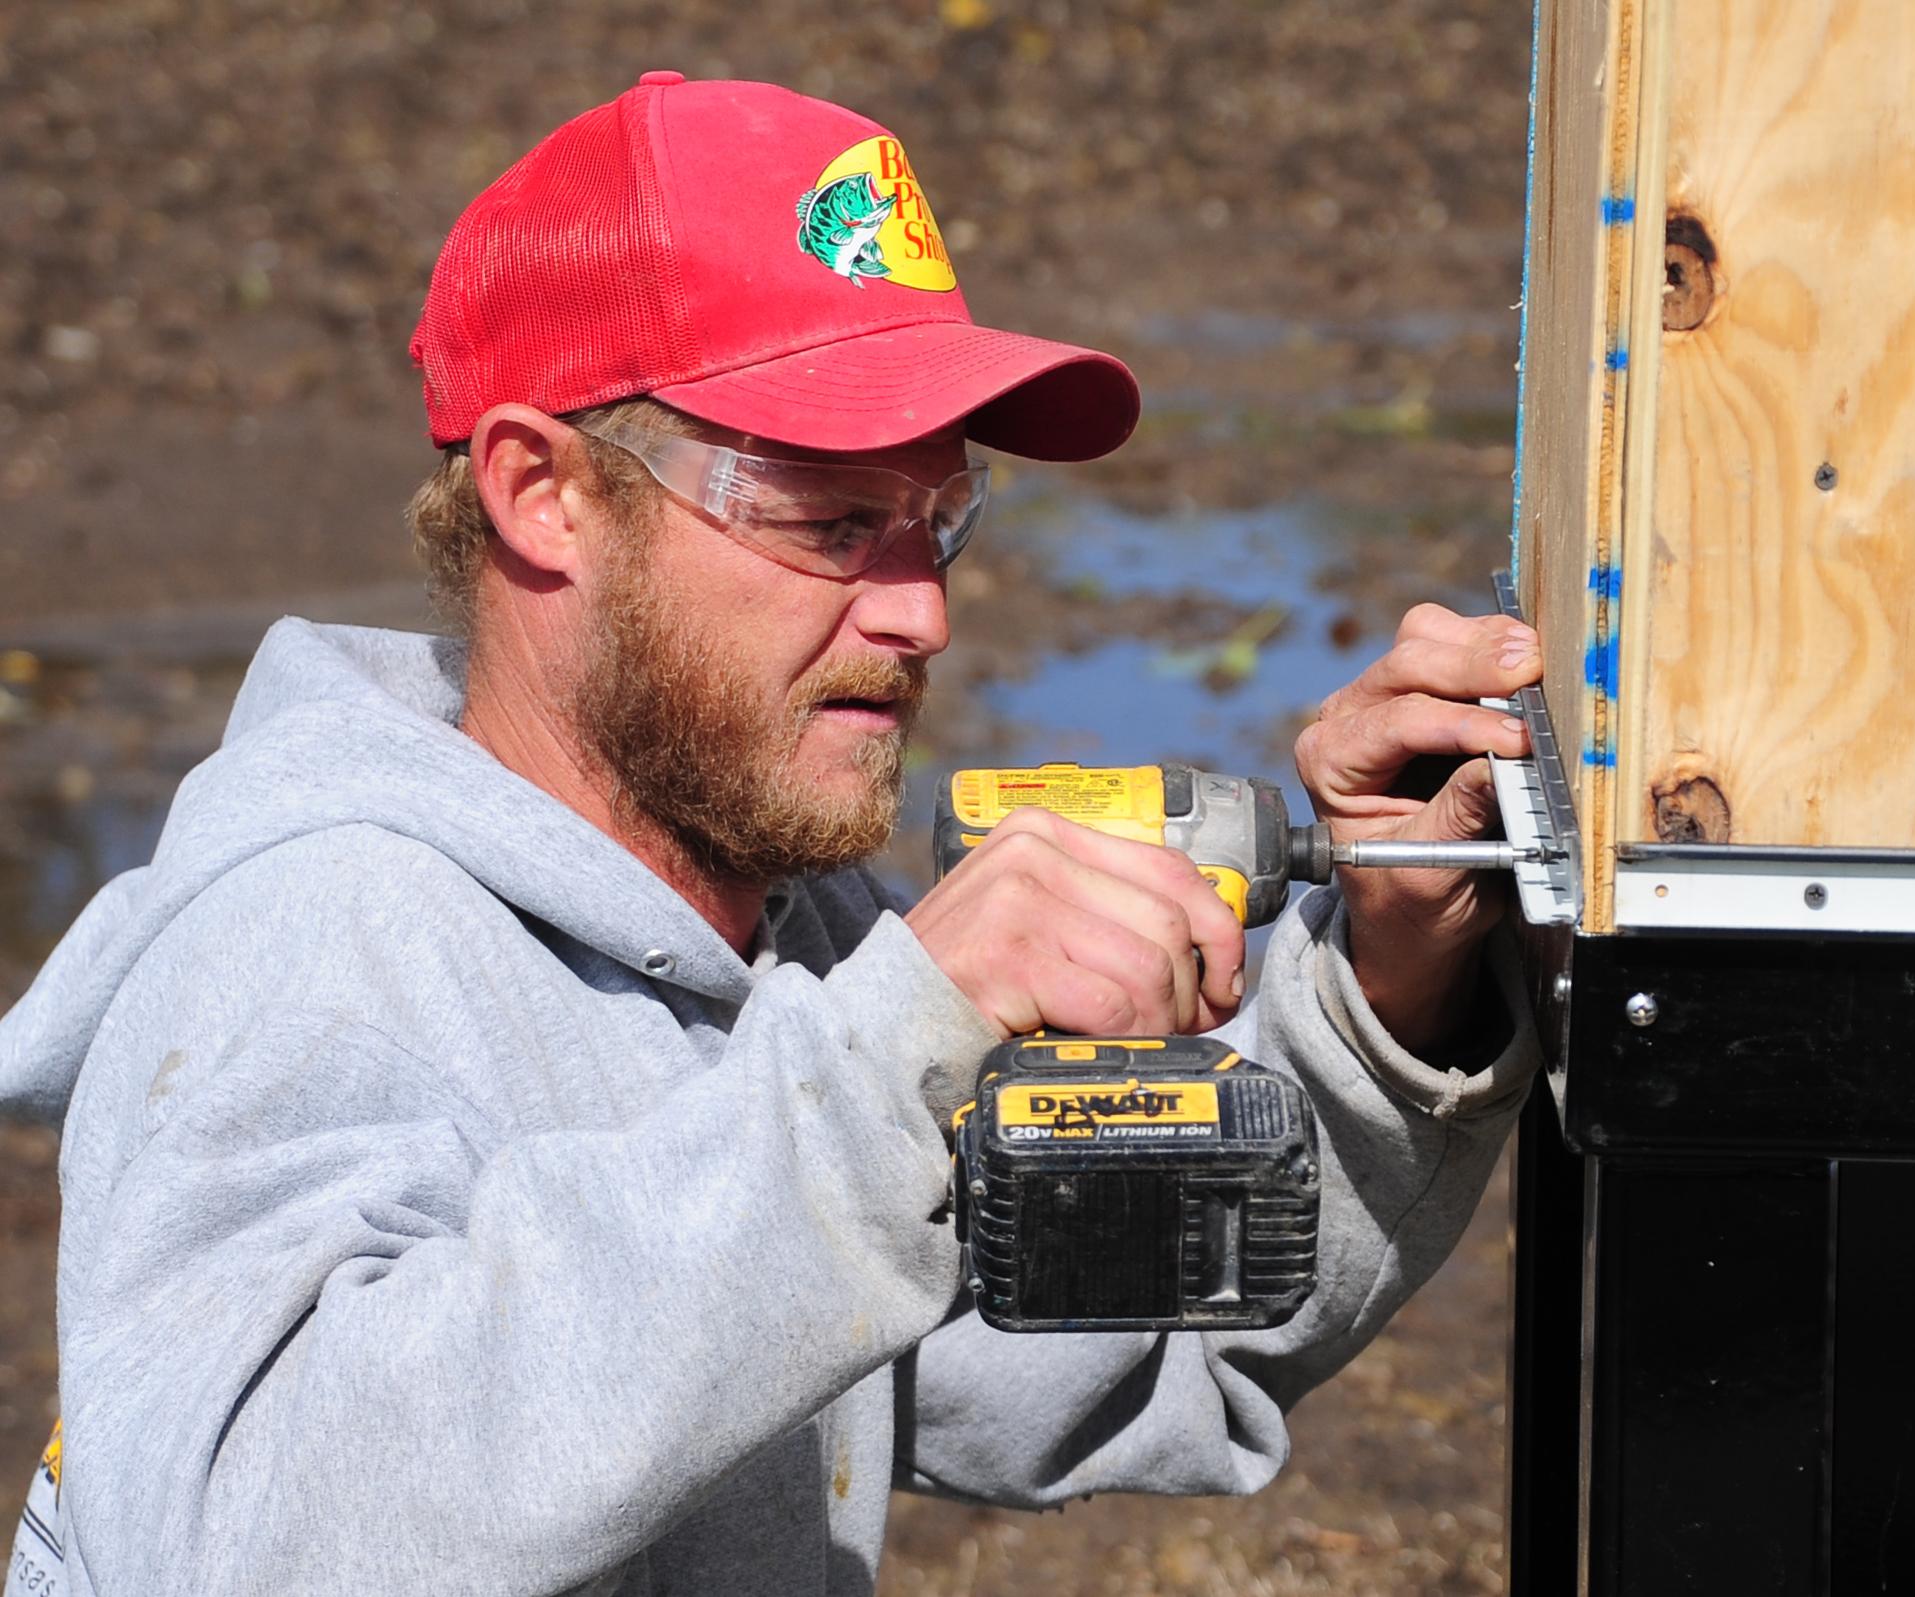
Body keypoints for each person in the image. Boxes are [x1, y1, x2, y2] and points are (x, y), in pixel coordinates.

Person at [0, 76, 1543, 1596]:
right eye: (824, 521)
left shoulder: (781, 937)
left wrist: (1393, 972)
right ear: (544, 495)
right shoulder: (317, 937)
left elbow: (1144, 1321)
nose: (918, 606)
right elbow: (240, 1546)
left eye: (937, 516)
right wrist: (885, 1057)